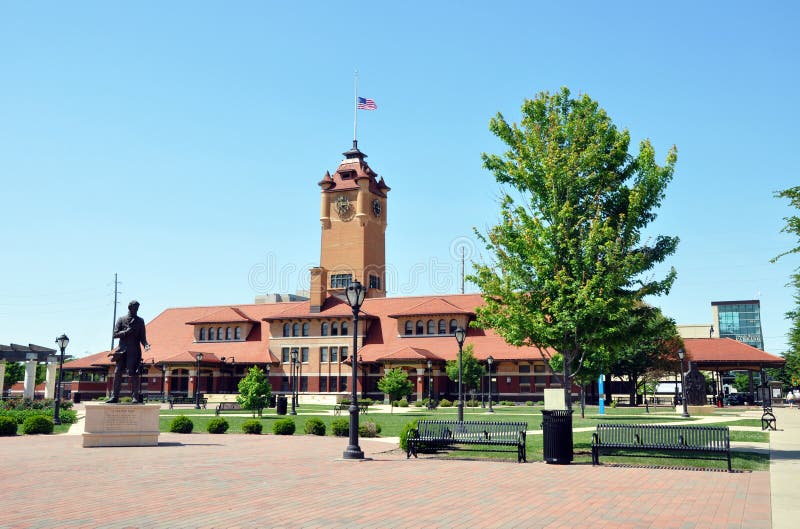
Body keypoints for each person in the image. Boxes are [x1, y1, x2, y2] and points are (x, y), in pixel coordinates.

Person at [107, 300, 150, 404]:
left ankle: (135, 397)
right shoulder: (121, 319)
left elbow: (143, 337)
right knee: (117, 372)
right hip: (122, 351)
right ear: (129, 308)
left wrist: (146, 345)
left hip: (134, 351)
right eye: (134, 308)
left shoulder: (140, 321)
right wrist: (126, 332)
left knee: (134, 373)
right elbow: (115, 334)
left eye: (137, 309)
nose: (136, 310)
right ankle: (114, 397)